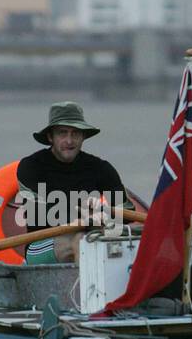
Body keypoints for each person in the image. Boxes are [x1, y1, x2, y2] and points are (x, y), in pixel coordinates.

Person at [17, 102, 128, 263]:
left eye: (75, 133)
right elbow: (37, 214)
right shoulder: (31, 166)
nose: (69, 140)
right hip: (41, 242)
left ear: (83, 137)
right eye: (63, 133)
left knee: (88, 238)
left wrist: (102, 211)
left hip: (88, 234)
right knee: (81, 242)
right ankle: (85, 288)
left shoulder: (101, 168)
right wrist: (84, 214)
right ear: (50, 137)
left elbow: (127, 210)